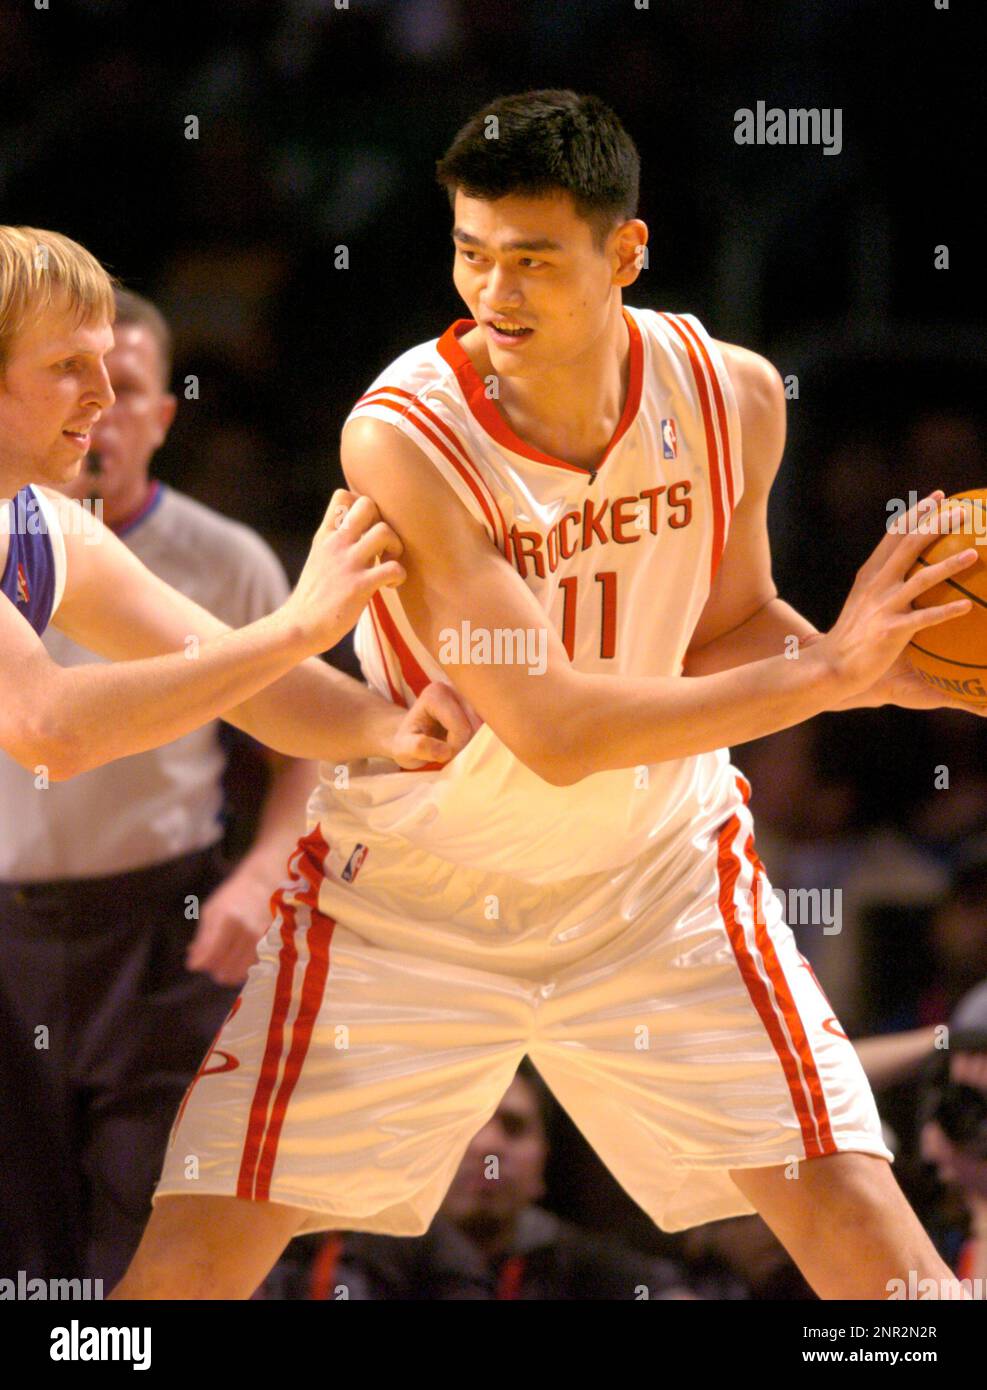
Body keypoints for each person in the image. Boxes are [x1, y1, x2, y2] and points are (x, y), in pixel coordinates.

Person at [116, 90, 982, 1302]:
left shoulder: (731, 395)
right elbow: (557, 730)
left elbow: (728, 634)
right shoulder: (405, 435)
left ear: (627, 251)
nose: (494, 293)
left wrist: (870, 669)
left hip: (658, 881)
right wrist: (831, 671)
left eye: (532, 260)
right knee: (189, 1266)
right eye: (472, 255)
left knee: (872, 1244)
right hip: (418, 905)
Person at [0, 286, 324, 1288]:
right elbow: (52, 727)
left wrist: (265, 864)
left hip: (163, 925)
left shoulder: (223, 557)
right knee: (23, 1252)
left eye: (122, 387)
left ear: (163, 414)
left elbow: (303, 737)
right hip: (7, 931)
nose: (96, 408)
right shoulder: (24, 529)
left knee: (153, 1236)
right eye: (71, 378)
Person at [283, 1061, 690, 1299]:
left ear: (543, 1170)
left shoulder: (581, 1262)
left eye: (513, 1127)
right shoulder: (343, 1249)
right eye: (464, 1124)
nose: (488, 1146)